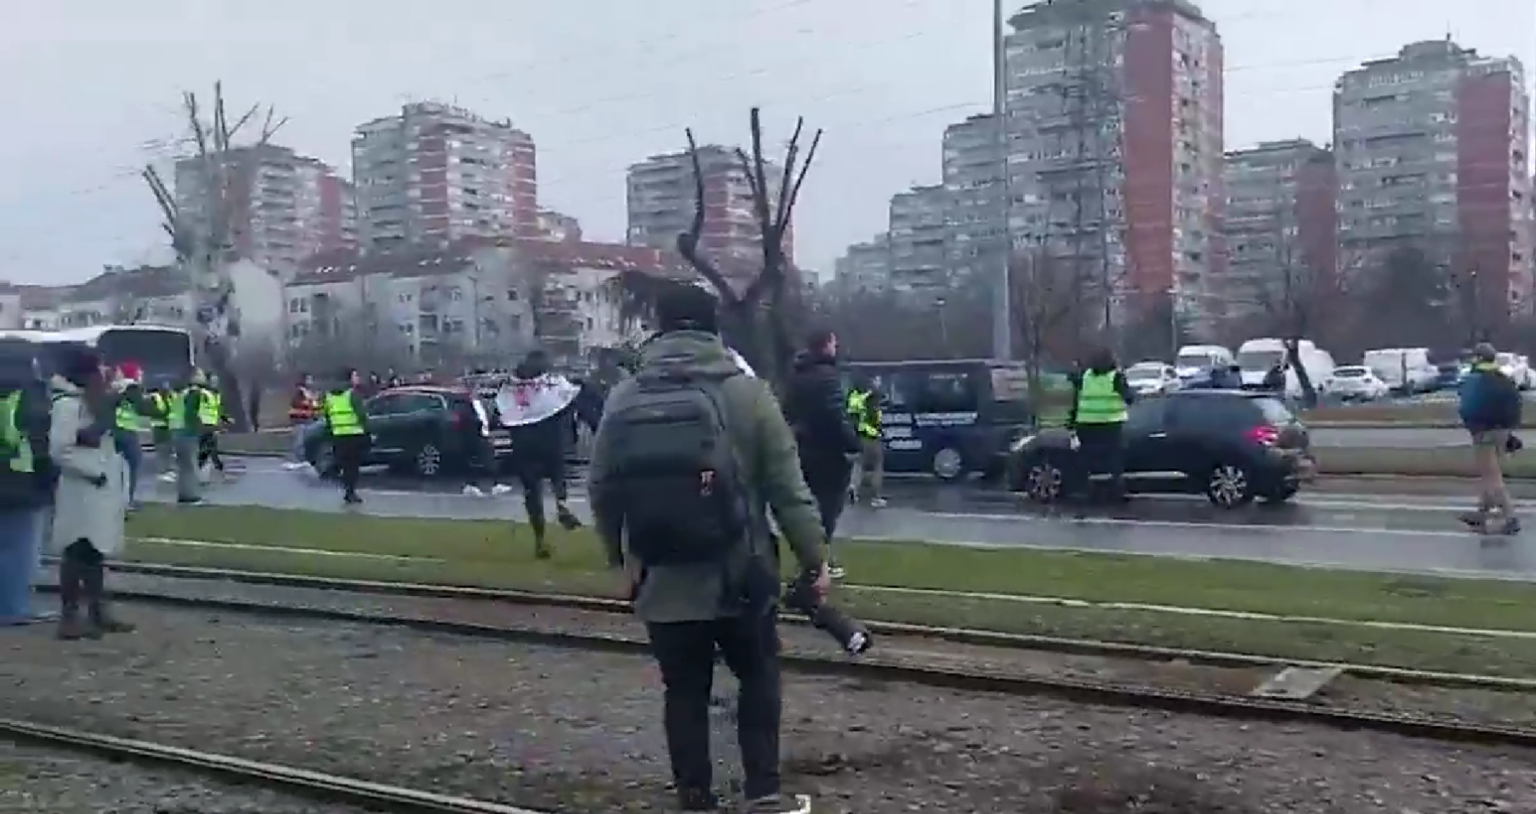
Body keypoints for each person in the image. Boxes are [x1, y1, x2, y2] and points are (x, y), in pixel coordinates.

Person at [588, 283, 828, 814]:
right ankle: (763, 793)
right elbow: (790, 492)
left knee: (684, 690)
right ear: (713, 328)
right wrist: (816, 561)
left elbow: (601, 486)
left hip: (661, 574)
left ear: (659, 328)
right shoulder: (749, 393)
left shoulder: (625, 397)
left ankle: (695, 798)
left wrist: (620, 560)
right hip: (741, 575)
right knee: (759, 675)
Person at [46, 345, 133, 640]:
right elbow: (60, 450)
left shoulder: (91, 401)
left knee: (94, 551)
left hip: (99, 488)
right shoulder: (67, 405)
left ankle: (97, 611)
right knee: (76, 550)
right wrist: (92, 472)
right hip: (81, 488)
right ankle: (69, 616)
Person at [783, 329, 861, 579]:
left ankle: (814, 560)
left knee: (809, 508)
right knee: (828, 510)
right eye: (834, 343)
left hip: (803, 450)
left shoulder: (796, 376)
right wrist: (852, 444)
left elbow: (787, 412)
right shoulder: (828, 377)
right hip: (828, 454)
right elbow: (835, 416)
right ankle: (818, 563)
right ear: (827, 345)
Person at [496, 349, 582, 557]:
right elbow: (568, 402)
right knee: (557, 476)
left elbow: (503, 412)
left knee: (532, 492)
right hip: (551, 441)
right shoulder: (552, 384)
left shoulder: (513, 387)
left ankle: (540, 539)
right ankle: (562, 506)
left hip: (524, 445)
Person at [0, 340, 54, 626]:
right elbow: (41, 443)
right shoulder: (32, 394)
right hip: (22, 479)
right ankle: (11, 608)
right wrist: (48, 482)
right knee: (19, 550)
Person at [1457, 342, 1522, 534]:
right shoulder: (1503, 378)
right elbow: (1516, 404)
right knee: (1491, 473)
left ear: (1478, 358)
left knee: (1492, 477)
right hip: (1502, 432)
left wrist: (1470, 423)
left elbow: (1467, 406)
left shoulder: (1474, 379)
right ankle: (1482, 513)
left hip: (1482, 432)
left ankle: (1511, 517)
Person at [1067, 347, 1136, 501]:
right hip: (1110, 426)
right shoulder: (1116, 377)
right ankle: (1115, 492)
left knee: (1087, 461)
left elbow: (1076, 402)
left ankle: (1086, 491)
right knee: (1113, 461)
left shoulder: (1085, 377)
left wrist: (1071, 425)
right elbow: (1130, 398)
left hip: (1086, 426)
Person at [110, 362, 156, 509]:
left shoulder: (113, 387)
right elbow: (142, 408)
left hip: (113, 430)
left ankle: (114, 498)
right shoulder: (133, 388)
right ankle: (127, 500)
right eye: (140, 373)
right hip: (127, 431)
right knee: (133, 466)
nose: (142, 376)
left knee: (115, 468)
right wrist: (152, 404)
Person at [323, 368, 369, 505]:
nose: (358, 378)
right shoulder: (352, 394)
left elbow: (327, 416)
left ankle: (347, 490)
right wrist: (367, 429)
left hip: (338, 435)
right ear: (349, 378)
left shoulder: (329, 396)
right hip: (354, 434)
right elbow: (361, 415)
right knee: (353, 466)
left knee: (345, 466)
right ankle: (350, 492)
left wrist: (332, 431)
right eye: (355, 376)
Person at [169, 369, 210, 504]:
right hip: (187, 432)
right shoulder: (194, 393)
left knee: (184, 466)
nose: (203, 377)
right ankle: (192, 496)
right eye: (200, 374)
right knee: (191, 465)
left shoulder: (182, 392)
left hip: (177, 431)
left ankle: (184, 494)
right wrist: (198, 428)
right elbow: (191, 414)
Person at [845, 375, 886, 508]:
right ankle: (876, 497)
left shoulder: (857, 398)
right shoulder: (873, 398)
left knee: (859, 465)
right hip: (873, 437)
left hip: (860, 436)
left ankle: (853, 487)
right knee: (877, 466)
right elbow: (877, 417)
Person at [196, 373, 225, 479]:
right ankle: (199, 470)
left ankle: (214, 468)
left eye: (216, 381)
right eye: (213, 381)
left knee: (210, 448)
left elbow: (217, 410)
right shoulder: (203, 393)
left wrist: (221, 421)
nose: (215, 383)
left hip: (212, 425)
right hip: (203, 425)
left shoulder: (217, 395)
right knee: (206, 448)